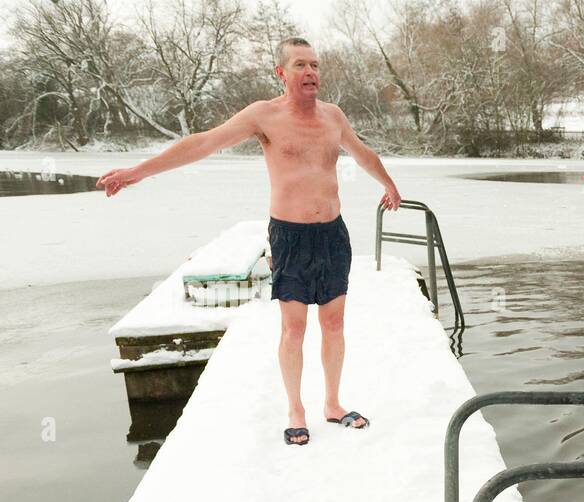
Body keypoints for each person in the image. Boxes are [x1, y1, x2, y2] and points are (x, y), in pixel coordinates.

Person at [97, 37, 401, 447]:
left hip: (332, 234)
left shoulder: (333, 116)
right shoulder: (264, 116)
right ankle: (296, 409)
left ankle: (332, 403)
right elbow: (203, 142)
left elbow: (363, 153)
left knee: (334, 323)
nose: (310, 72)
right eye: (300, 65)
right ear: (281, 72)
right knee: (293, 329)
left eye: (314, 65)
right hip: (290, 236)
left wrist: (388, 184)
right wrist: (138, 172)